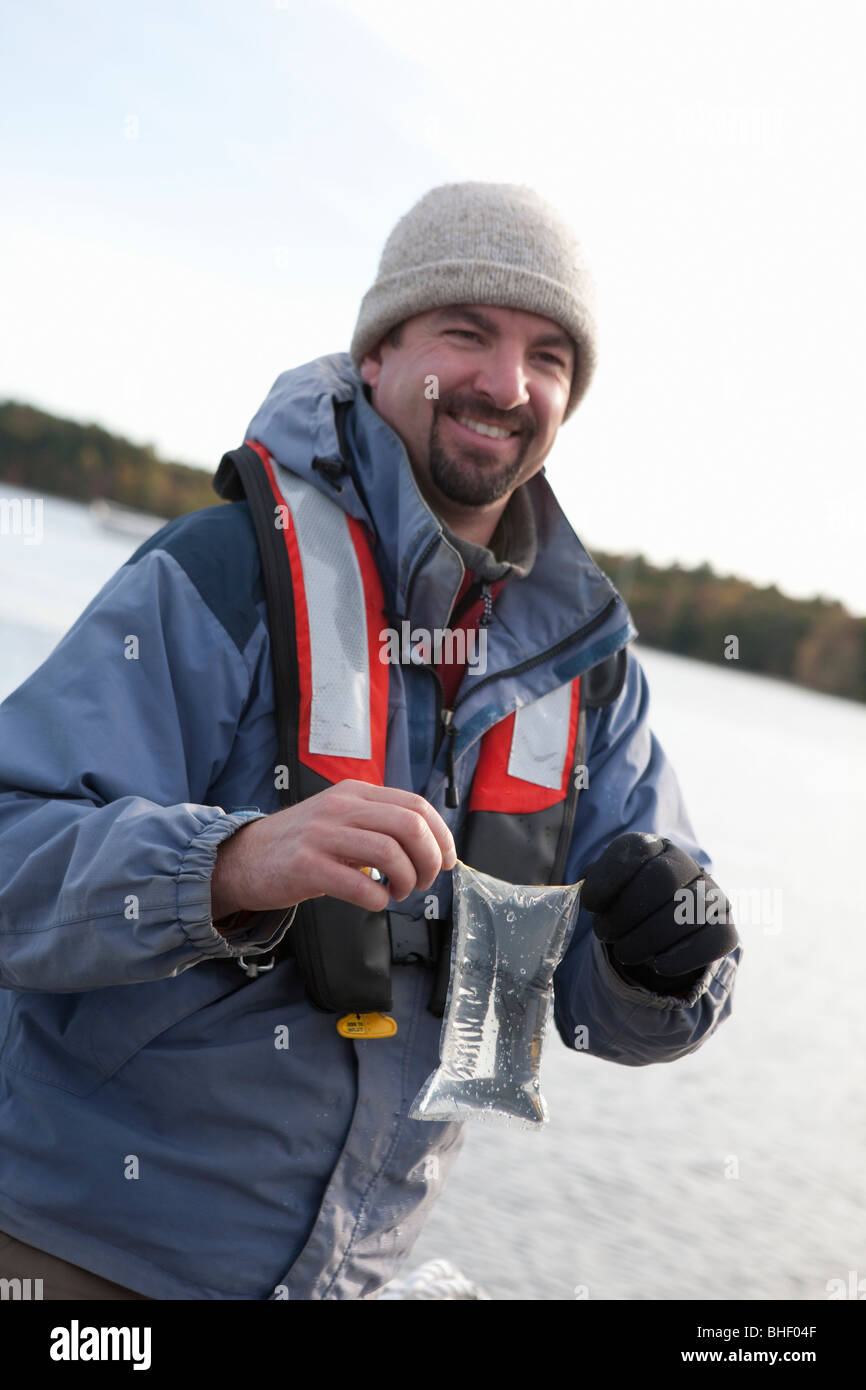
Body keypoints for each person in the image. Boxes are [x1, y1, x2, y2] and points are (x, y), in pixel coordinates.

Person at [0, 182, 740, 1301]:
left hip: (351, 1278)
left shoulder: (595, 674)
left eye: (548, 356)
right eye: (466, 334)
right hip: (74, 1257)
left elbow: (619, 1007)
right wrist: (230, 865)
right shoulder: (222, 571)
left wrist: (665, 958)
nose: (506, 383)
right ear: (381, 354)